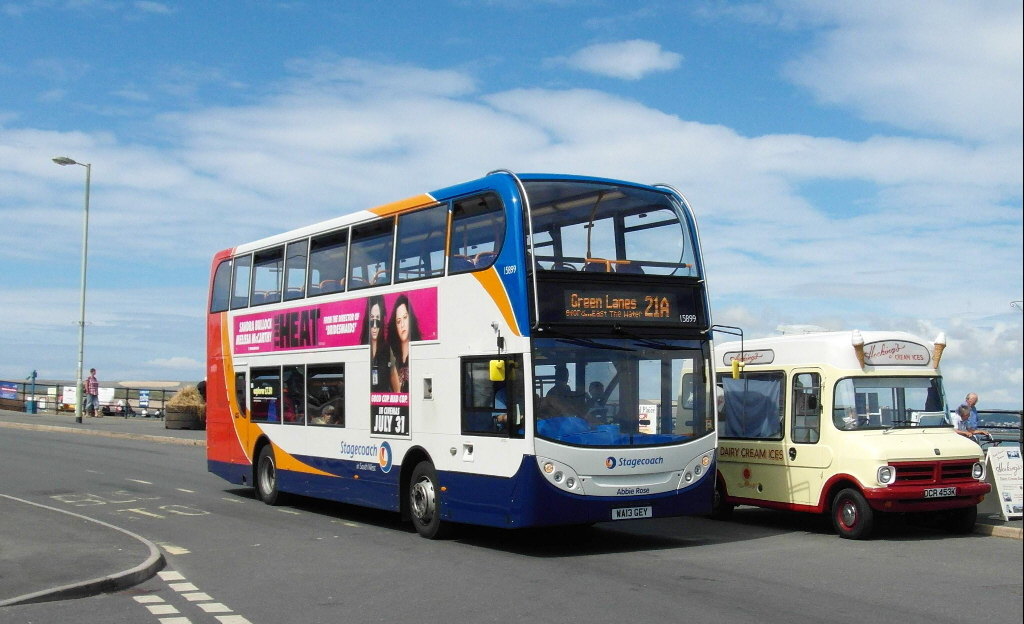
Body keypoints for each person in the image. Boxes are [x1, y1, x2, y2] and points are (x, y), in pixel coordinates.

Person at [387, 294, 421, 393]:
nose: (402, 325)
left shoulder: (419, 350)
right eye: (398, 321)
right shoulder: (391, 355)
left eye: (405, 317)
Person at [361, 295, 393, 392]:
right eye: (372, 319)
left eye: (378, 319)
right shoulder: (362, 349)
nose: (374, 326)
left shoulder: (387, 349)